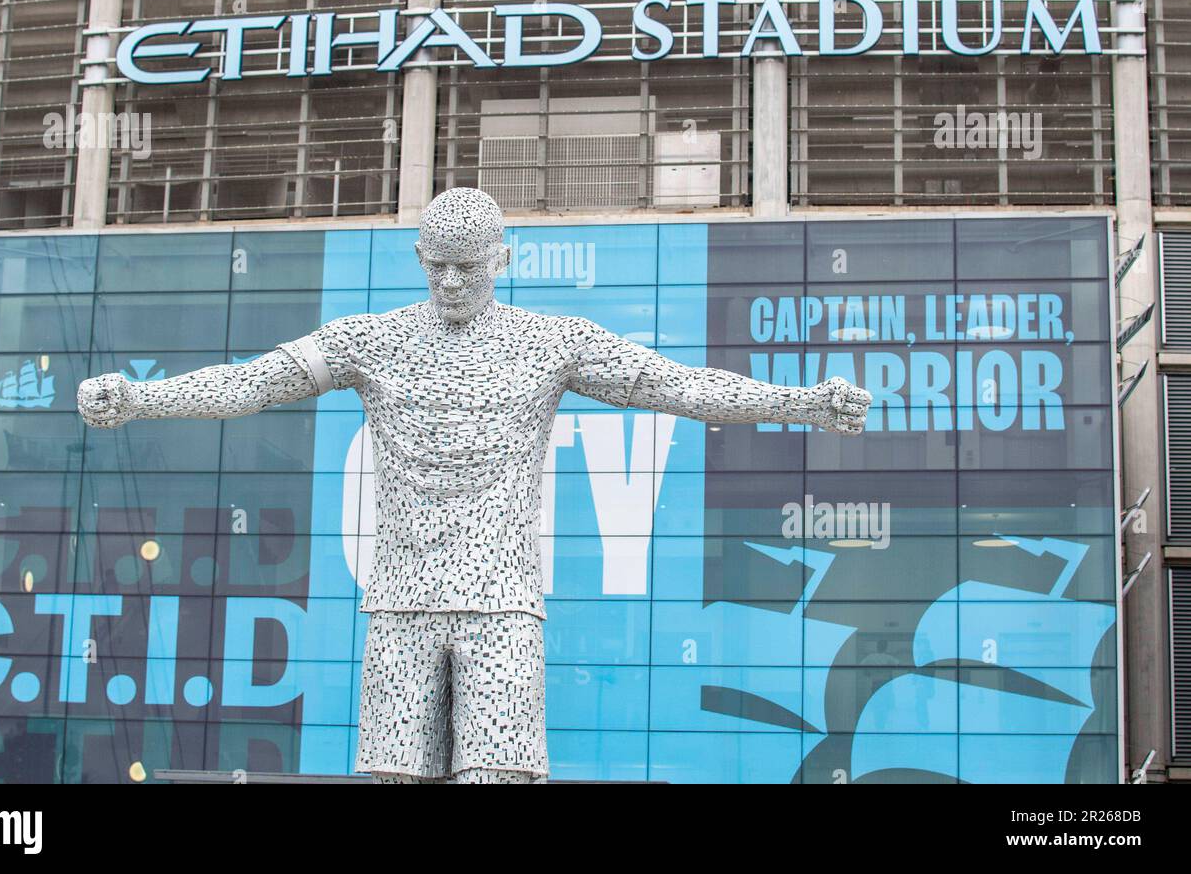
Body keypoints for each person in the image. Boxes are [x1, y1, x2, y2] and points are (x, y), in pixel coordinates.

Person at [77, 187, 871, 784]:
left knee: (498, 777)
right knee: (390, 776)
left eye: (469, 266)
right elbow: (253, 385)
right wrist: (143, 396)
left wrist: (797, 402)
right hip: (398, 602)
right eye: (438, 266)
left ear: (505, 259)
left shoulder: (549, 345)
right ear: (419, 259)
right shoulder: (373, 341)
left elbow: (678, 388)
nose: (452, 284)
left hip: (501, 604)